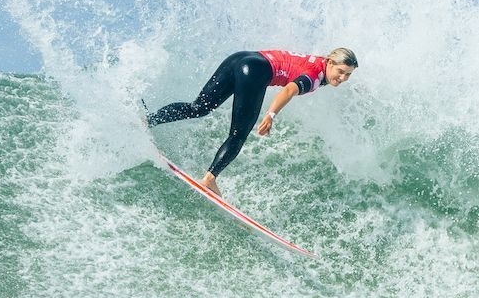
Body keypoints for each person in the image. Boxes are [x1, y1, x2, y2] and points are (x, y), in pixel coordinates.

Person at [146, 47, 358, 197]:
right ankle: (210, 178)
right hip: (255, 72)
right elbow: (290, 89)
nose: (342, 78)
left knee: (198, 107)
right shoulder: (314, 76)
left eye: (348, 75)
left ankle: (149, 120)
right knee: (238, 134)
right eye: (340, 72)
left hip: (240, 58)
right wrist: (271, 115)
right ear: (330, 62)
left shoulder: (317, 61)